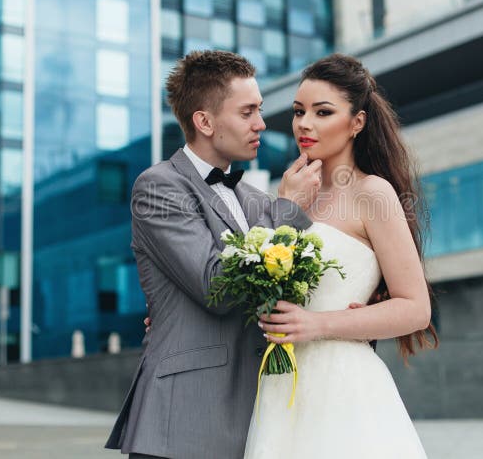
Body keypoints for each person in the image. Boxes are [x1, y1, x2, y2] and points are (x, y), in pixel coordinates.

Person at [105, 50, 322, 459]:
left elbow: (286, 287)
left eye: (259, 110)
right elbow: (215, 286)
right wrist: (289, 211)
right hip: (183, 422)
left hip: (256, 417)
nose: (261, 123)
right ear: (204, 121)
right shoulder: (158, 187)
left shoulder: (258, 201)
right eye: (247, 112)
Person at [243, 53, 439, 458]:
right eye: (299, 112)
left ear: (357, 123)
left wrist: (319, 323)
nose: (305, 124)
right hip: (281, 385)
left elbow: (416, 308)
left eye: (323, 111)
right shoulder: (286, 196)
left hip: (343, 388)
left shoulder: (374, 193)